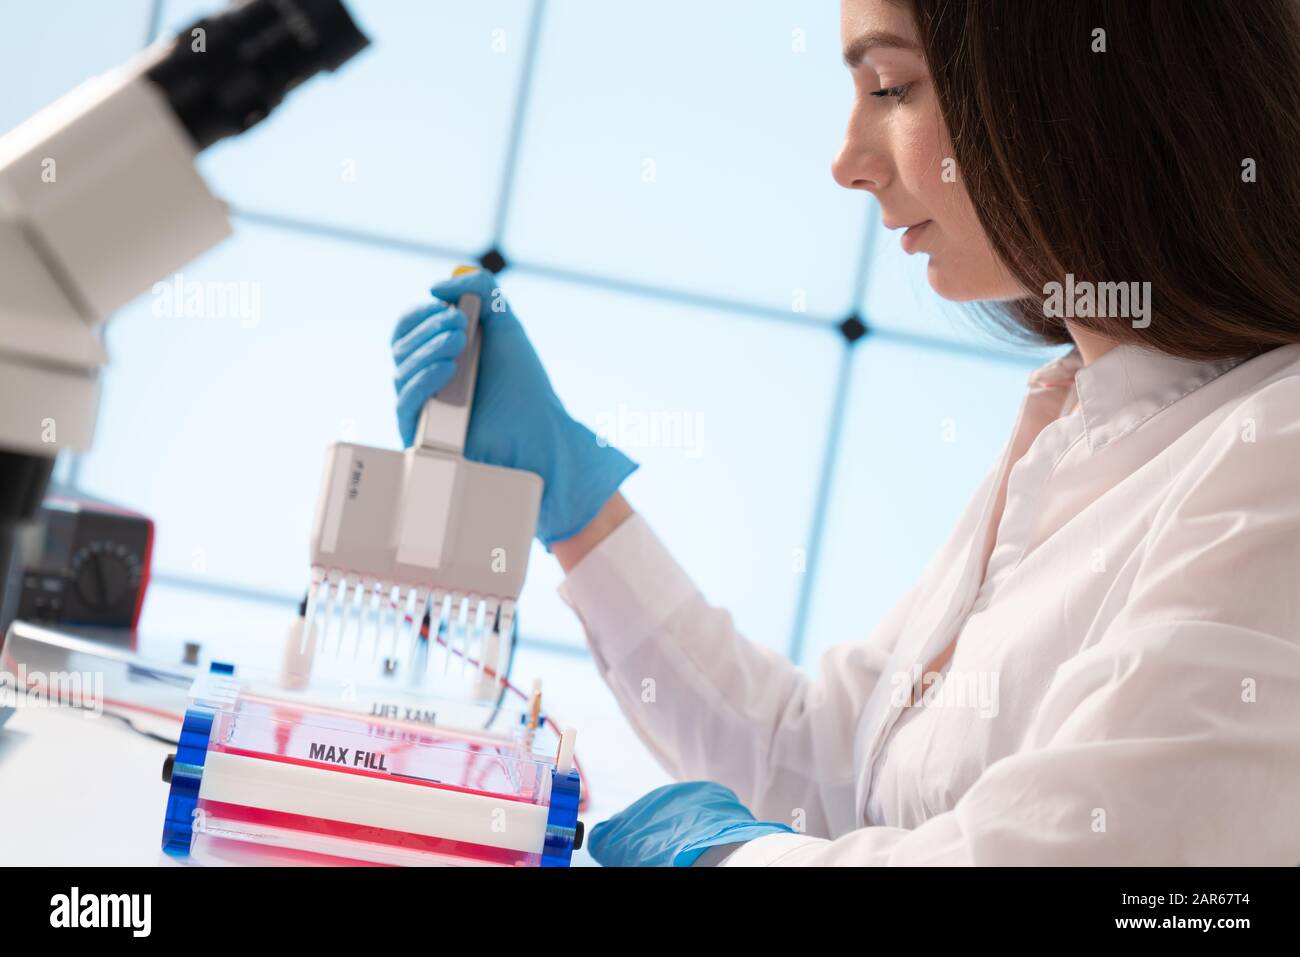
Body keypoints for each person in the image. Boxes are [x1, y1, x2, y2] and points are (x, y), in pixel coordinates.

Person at [389, 0, 1300, 866]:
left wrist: (731, 855)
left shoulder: (1276, 443)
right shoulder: (1077, 425)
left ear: (1078, 85)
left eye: (892, 88)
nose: (848, 160)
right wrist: (578, 508)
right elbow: (819, 769)